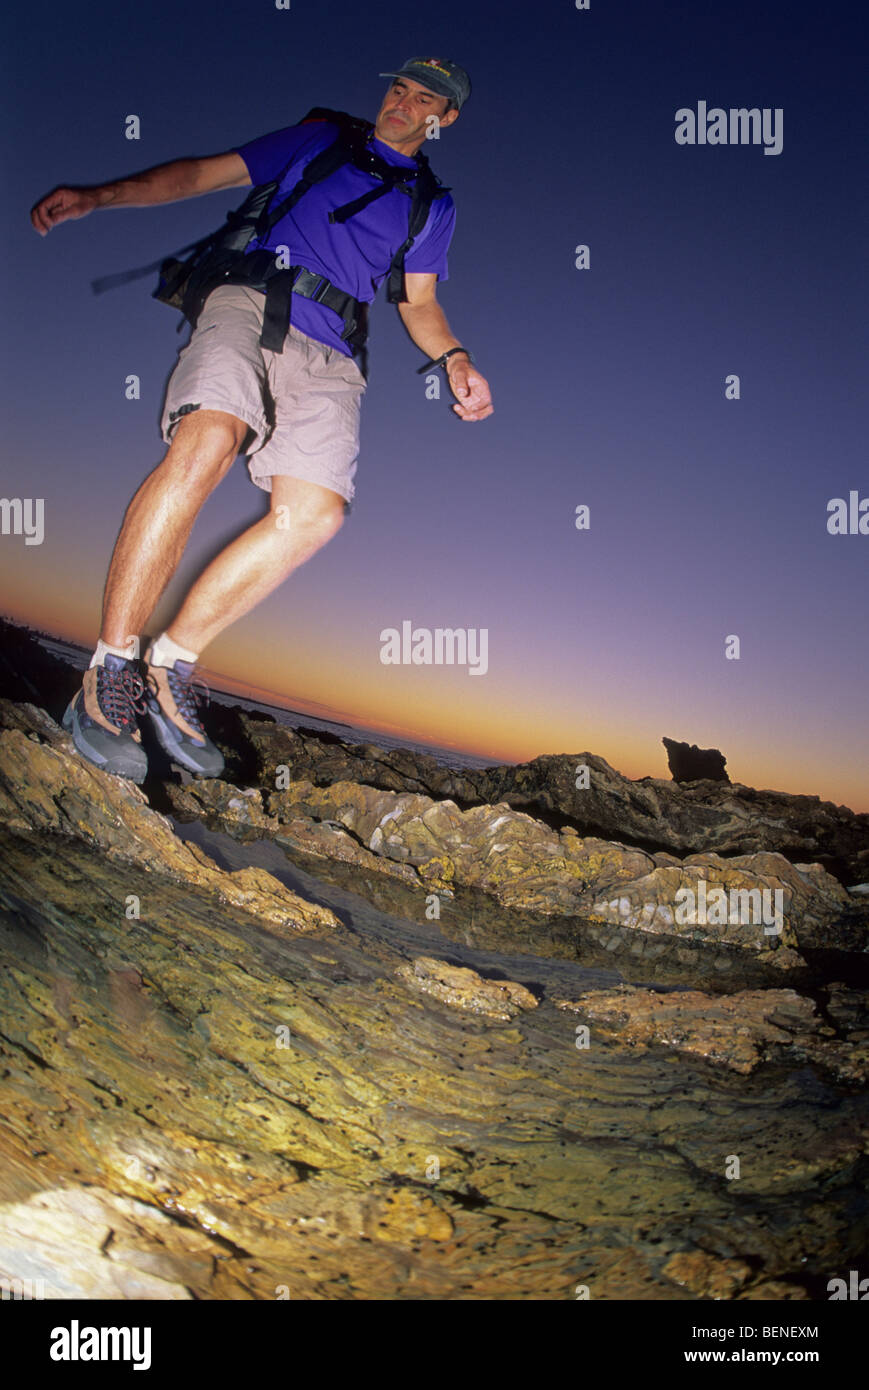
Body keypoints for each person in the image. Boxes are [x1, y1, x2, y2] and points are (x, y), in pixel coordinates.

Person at [30, 57, 493, 783]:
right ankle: (110, 668)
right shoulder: (320, 139)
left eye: (424, 98)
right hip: (250, 298)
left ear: (447, 118)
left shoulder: (432, 204)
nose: (402, 102)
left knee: (314, 516)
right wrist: (102, 194)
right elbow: (199, 174)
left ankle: (169, 665)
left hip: (335, 350)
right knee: (208, 438)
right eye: (398, 87)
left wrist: (456, 360)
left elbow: (419, 301)